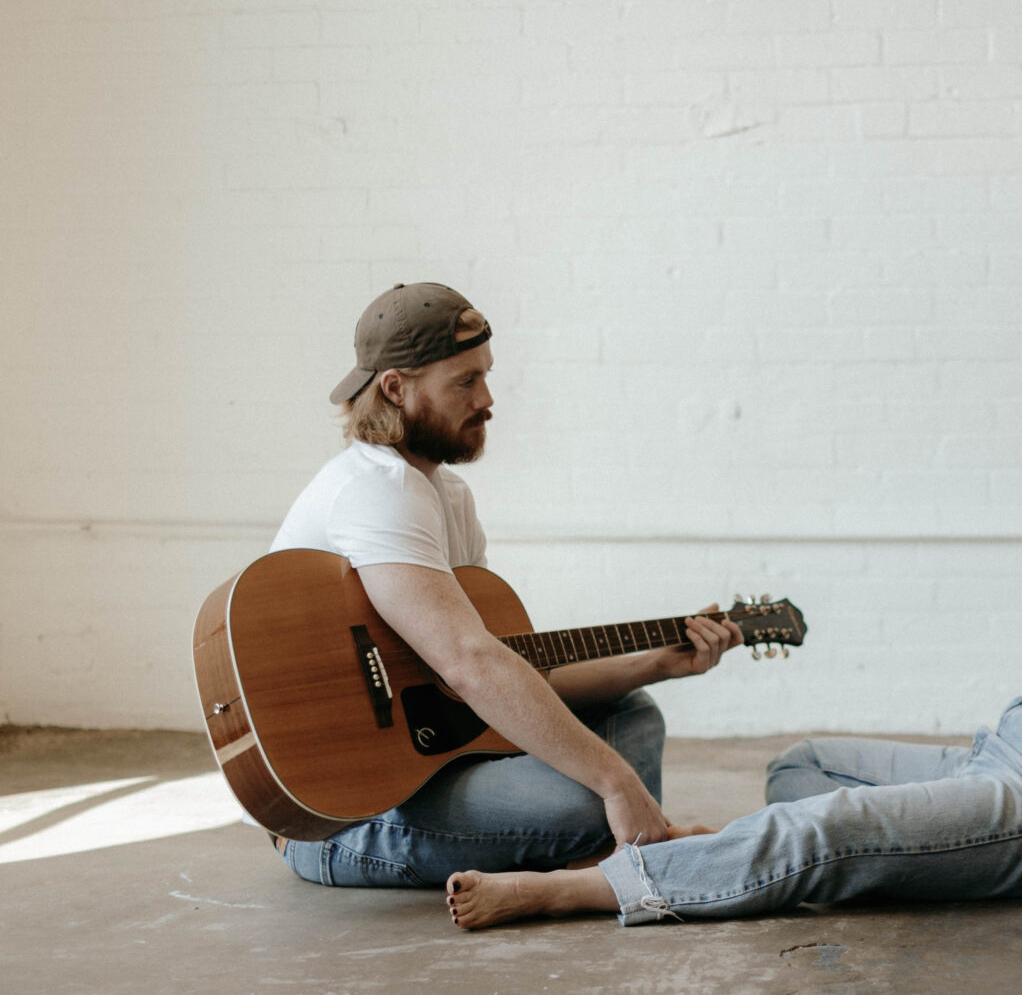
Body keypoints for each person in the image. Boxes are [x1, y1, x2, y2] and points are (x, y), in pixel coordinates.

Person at [443, 366, 1022, 928]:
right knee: (803, 768)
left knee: (831, 828)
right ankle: (761, 854)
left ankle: (587, 888)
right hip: (1015, 749)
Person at [269, 282, 742, 887]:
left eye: (486, 376)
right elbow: (470, 665)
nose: (487, 399)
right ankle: (604, 850)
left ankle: (596, 851)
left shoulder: (447, 497)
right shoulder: (377, 490)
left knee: (632, 711)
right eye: (464, 381)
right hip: (337, 816)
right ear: (396, 388)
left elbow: (507, 670)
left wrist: (653, 662)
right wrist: (617, 784)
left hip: (429, 759)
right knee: (590, 796)